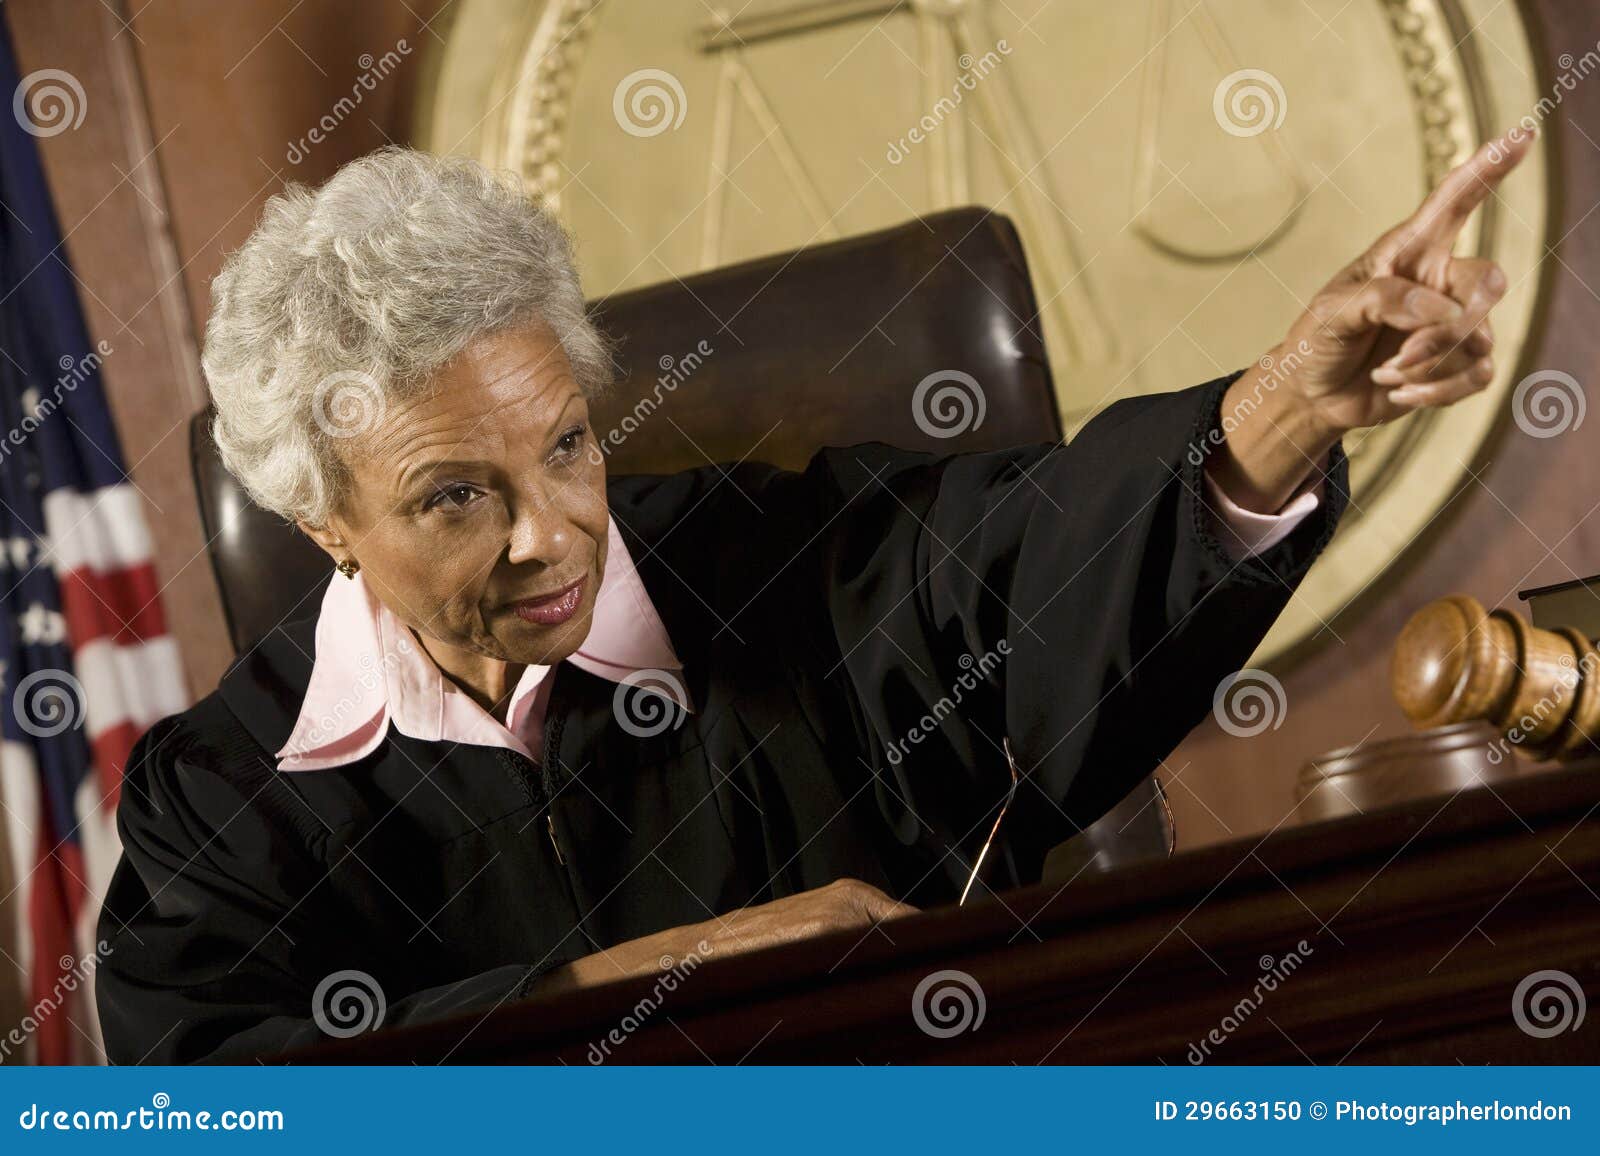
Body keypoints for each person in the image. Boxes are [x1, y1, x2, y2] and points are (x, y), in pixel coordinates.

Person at [95, 128, 1533, 1063]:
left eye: (570, 449)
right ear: (321, 516)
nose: (553, 537)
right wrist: (651, 979)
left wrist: (1289, 402)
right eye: (455, 497)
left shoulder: (800, 565)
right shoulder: (223, 795)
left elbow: (1041, 562)